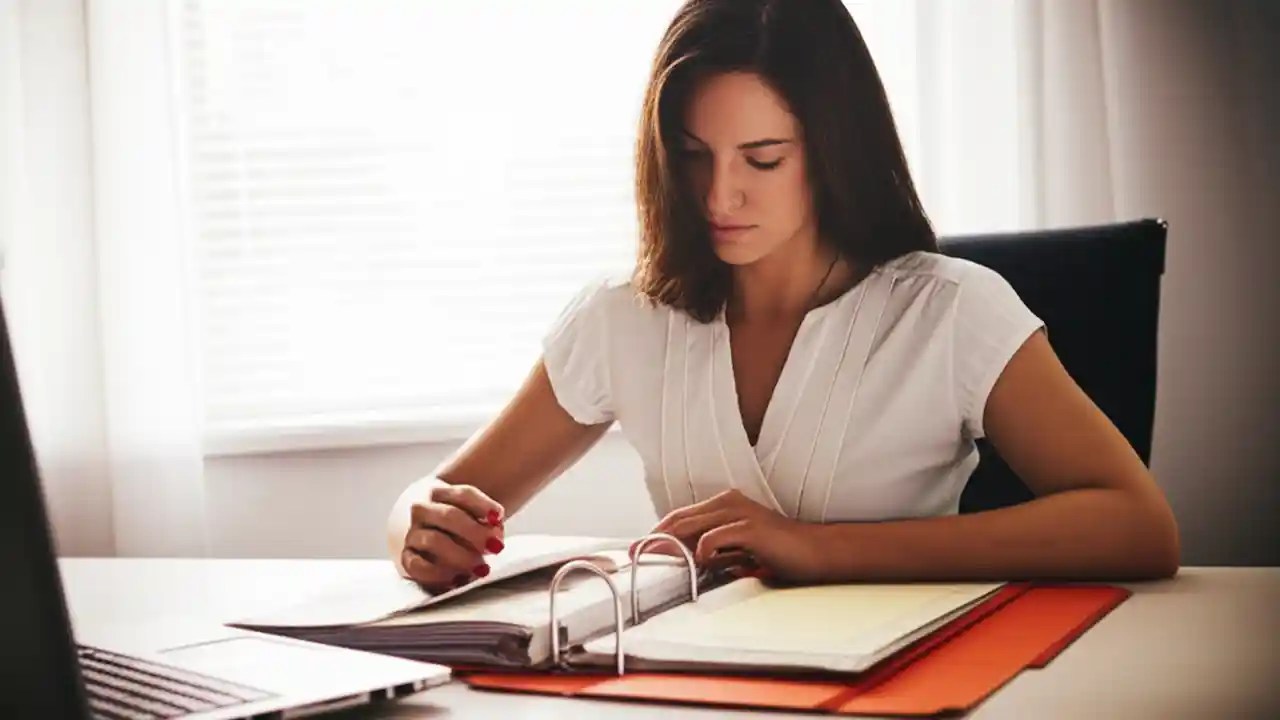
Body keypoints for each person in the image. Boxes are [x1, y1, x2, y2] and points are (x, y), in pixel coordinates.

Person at [386, 0, 1180, 594]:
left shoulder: (951, 312)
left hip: (899, 689)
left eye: (761, 158)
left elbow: (1139, 525)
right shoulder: (619, 316)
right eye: (693, 156)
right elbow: (440, 497)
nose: (718, 194)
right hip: (689, 690)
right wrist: (417, 526)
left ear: (833, 151)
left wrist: (817, 546)